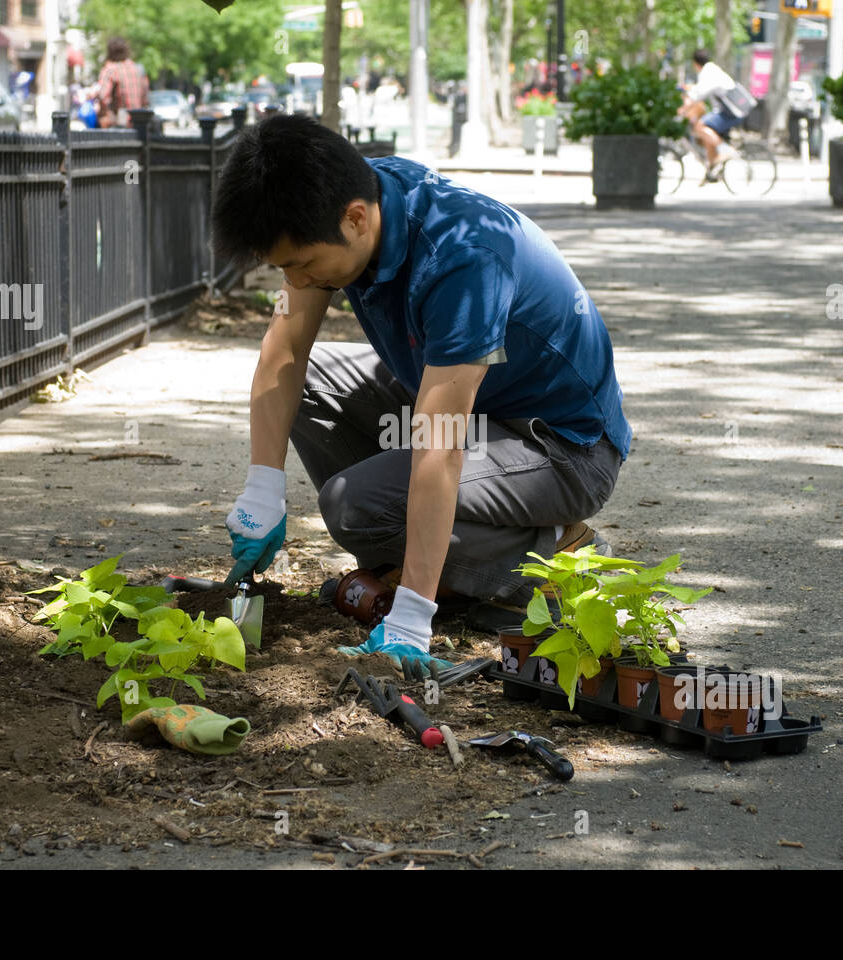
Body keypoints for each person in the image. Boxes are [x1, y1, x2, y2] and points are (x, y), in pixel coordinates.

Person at [210, 115, 631, 676]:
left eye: (303, 264)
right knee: (314, 384)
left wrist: (411, 616)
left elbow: (439, 443)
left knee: (352, 503)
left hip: (561, 448)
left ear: (355, 220)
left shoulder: (462, 258)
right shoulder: (351, 197)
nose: (298, 282)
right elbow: (285, 350)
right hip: (475, 405)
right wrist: (263, 486)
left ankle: (544, 554)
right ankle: (419, 557)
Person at [677, 48, 741, 178]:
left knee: (699, 126)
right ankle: (712, 168)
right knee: (708, 129)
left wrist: (682, 110)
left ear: (695, 63)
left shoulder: (707, 73)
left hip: (729, 112)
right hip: (731, 110)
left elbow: (697, 94)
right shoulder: (712, 70)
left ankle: (725, 150)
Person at [96, 37, 149, 129]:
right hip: (139, 123)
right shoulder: (138, 69)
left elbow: (103, 95)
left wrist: (106, 114)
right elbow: (146, 98)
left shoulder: (111, 69)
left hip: (121, 123)